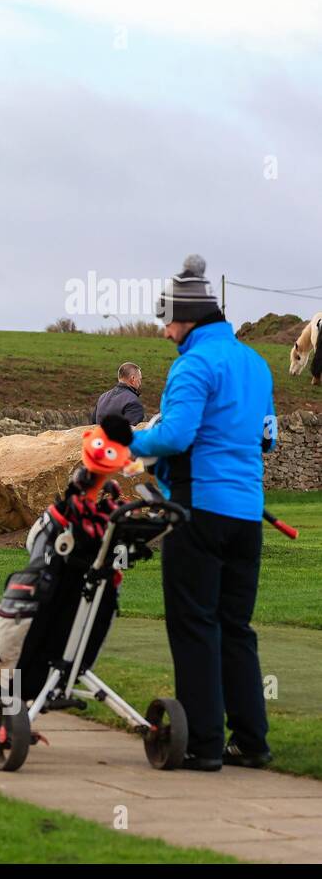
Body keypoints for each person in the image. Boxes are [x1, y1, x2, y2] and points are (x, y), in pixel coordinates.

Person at [127, 254, 276, 771]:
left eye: (167, 319)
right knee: (236, 626)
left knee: (194, 623)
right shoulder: (256, 364)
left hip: (197, 511)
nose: (165, 330)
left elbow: (175, 435)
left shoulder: (193, 364)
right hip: (247, 514)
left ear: (187, 317)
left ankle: (204, 743)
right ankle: (251, 741)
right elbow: (267, 437)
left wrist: (129, 442)